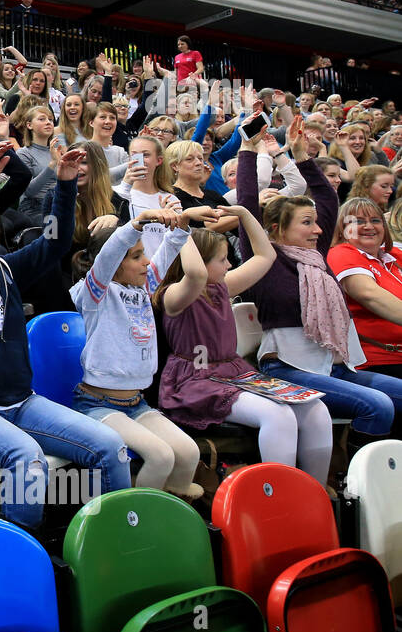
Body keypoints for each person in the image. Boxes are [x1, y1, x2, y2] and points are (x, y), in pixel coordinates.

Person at [0, 141, 131, 529]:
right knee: (27, 459)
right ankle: (22, 557)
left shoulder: (3, 270)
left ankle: (105, 543)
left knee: (111, 447)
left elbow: (54, 243)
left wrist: (65, 186)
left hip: (19, 401)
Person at [236, 119, 402, 455]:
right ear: (275, 228)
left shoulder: (316, 257)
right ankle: (356, 483)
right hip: (286, 366)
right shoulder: (264, 260)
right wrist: (247, 152)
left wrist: (302, 157)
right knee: (379, 406)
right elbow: (247, 204)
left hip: (334, 363)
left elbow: (327, 195)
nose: (317, 230)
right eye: (307, 223)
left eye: (316, 223)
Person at [155, 208, 334, 481]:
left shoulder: (221, 286)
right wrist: (182, 226)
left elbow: (266, 256)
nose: (229, 266)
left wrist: (243, 214)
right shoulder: (175, 295)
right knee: (279, 416)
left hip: (233, 373)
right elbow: (195, 275)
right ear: (202, 263)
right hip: (195, 381)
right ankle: (281, 495)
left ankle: (315, 492)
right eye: (223, 260)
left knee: (315, 410)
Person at [69, 209, 203, 498]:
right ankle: (136, 520)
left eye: (144, 254)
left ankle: (172, 511)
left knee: (188, 453)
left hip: (136, 403)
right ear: (115, 263)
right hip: (98, 405)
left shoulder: (141, 287)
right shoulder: (95, 294)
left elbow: (166, 254)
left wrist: (181, 227)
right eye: (136, 256)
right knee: (161, 456)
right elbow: (108, 255)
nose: (146, 262)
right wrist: (137, 223)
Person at [328, 198, 402, 378]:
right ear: (342, 229)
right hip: (378, 360)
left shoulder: (392, 255)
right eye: (358, 222)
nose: (368, 226)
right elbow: (369, 295)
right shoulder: (340, 253)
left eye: (375, 220)